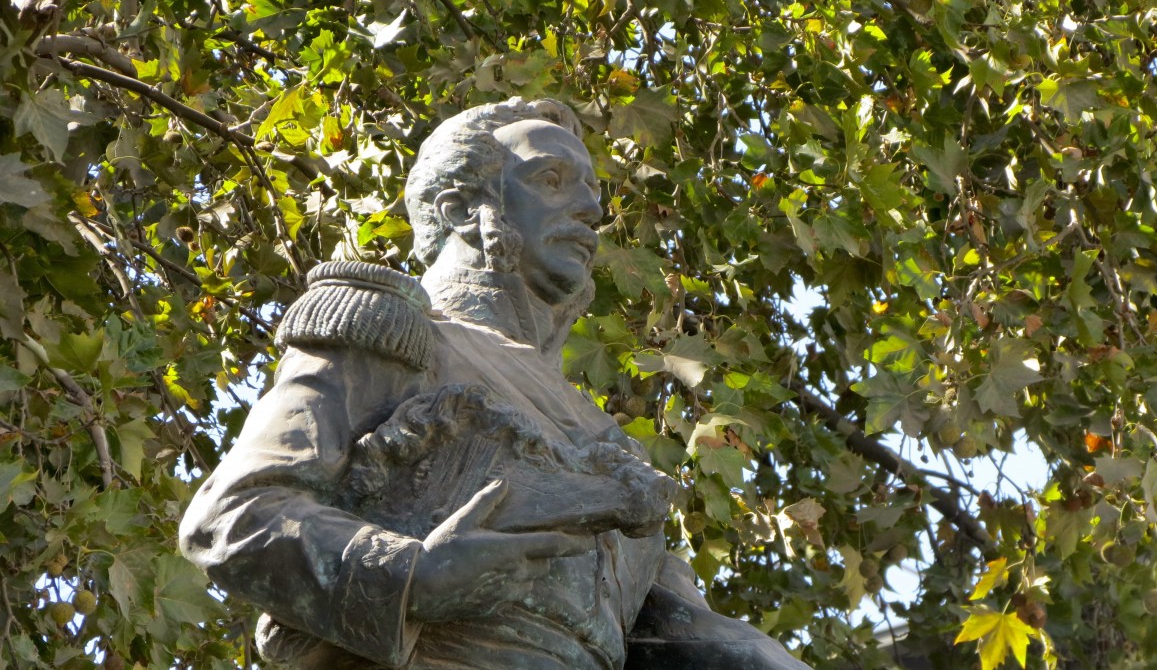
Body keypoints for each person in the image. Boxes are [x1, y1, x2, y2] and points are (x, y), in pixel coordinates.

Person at [179, 98, 811, 670]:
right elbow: (232, 518)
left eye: (592, 191)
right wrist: (414, 576)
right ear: (461, 208)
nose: (592, 210)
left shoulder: (613, 449)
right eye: (552, 179)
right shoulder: (395, 334)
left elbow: (682, 639)